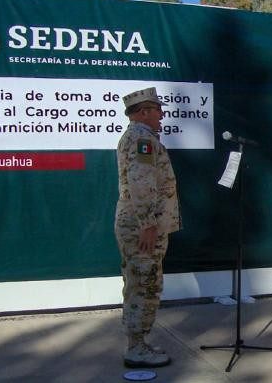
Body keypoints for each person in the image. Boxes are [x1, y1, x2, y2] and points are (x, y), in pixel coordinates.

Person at [115, 87, 181, 367]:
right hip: (142, 226)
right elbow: (141, 181)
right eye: (157, 110)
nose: (162, 115)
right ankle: (137, 349)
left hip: (136, 223)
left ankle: (137, 342)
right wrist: (148, 224)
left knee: (138, 284)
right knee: (145, 285)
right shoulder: (142, 139)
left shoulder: (136, 137)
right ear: (143, 112)